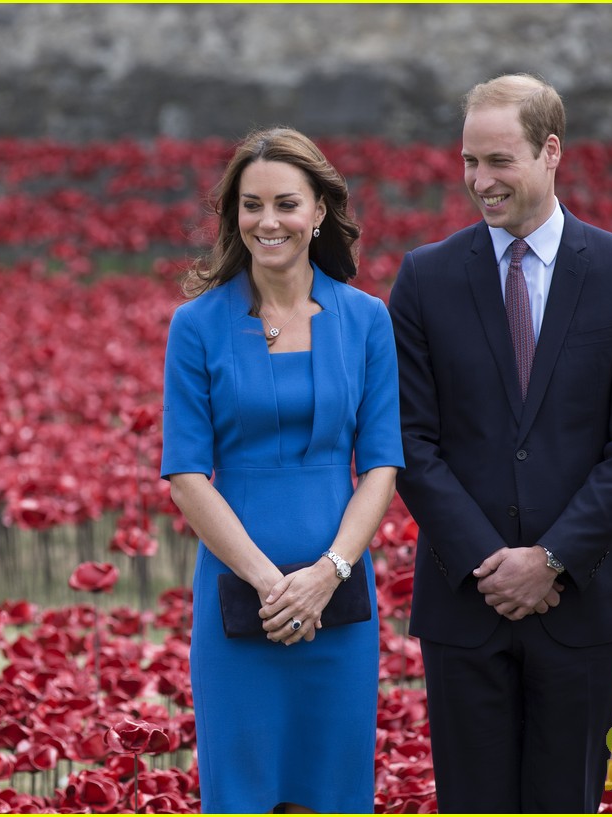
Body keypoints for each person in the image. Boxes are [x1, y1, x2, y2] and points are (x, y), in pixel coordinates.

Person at [388, 74, 612, 812]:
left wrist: (550, 560)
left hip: (583, 597)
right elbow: (410, 439)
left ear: (551, 151)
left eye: (499, 160)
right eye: (469, 161)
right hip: (465, 597)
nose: (480, 180)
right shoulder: (424, 277)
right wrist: (491, 563)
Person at [160, 126, 403, 813]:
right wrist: (272, 586)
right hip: (240, 597)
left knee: (334, 792)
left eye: (286, 204)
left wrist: (327, 574)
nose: (268, 222)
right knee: (242, 792)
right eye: (252, 205)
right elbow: (186, 475)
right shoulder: (196, 325)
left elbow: (382, 465)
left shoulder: (367, 320)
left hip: (340, 597)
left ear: (319, 210)